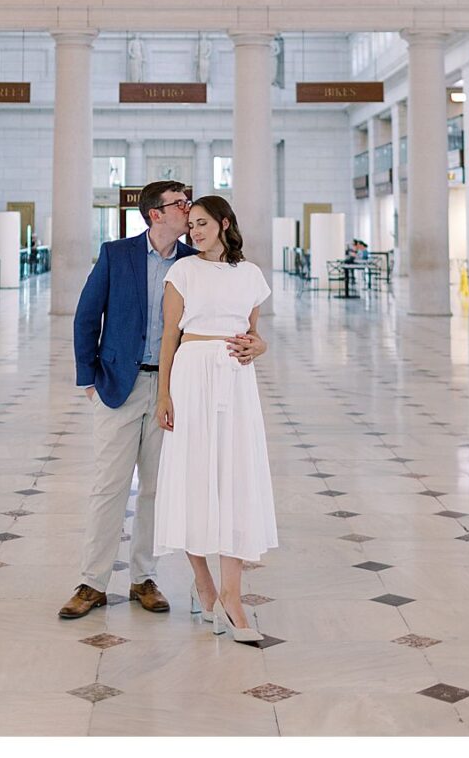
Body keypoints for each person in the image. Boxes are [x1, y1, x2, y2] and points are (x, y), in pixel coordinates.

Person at [64, 181, 265, 620]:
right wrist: (88, 379)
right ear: (157, 213)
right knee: (110, 485)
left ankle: (143, 577)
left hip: (178, 388)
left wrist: (254, 344)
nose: (188, 212)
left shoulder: (197, 262)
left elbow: (233, 316)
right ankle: (92, 581)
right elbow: (86, 314)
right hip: (119, 383)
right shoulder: (117, 254)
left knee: (159, 486)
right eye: (180, 205)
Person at [153, 196, 278, 643]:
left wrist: (259, 347)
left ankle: (232, 596)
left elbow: (254, 334)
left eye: (203, 224)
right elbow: (170, 336)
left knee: (234, 479)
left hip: (235, 380)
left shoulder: (250, 275)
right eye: (191, 228)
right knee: (195, 476)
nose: (196, 233)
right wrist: (164, 393)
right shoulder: (181, 272)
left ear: (224, 223)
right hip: (191, 375)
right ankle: (204, 585)